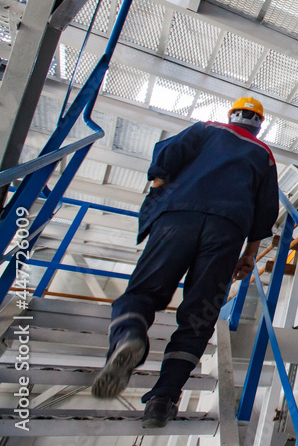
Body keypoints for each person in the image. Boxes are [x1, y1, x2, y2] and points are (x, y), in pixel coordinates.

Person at [92, 97, 279, 428]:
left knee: (144, 292)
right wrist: (249, 254)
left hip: (178, 217)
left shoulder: (206, 128)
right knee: (199, 316)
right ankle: (163, 399)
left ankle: (129, 335)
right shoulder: (263, 154)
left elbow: (167, 155)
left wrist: (160, 191)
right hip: (227, 231)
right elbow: (266, 211)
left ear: (231, 115)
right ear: (259, 124)